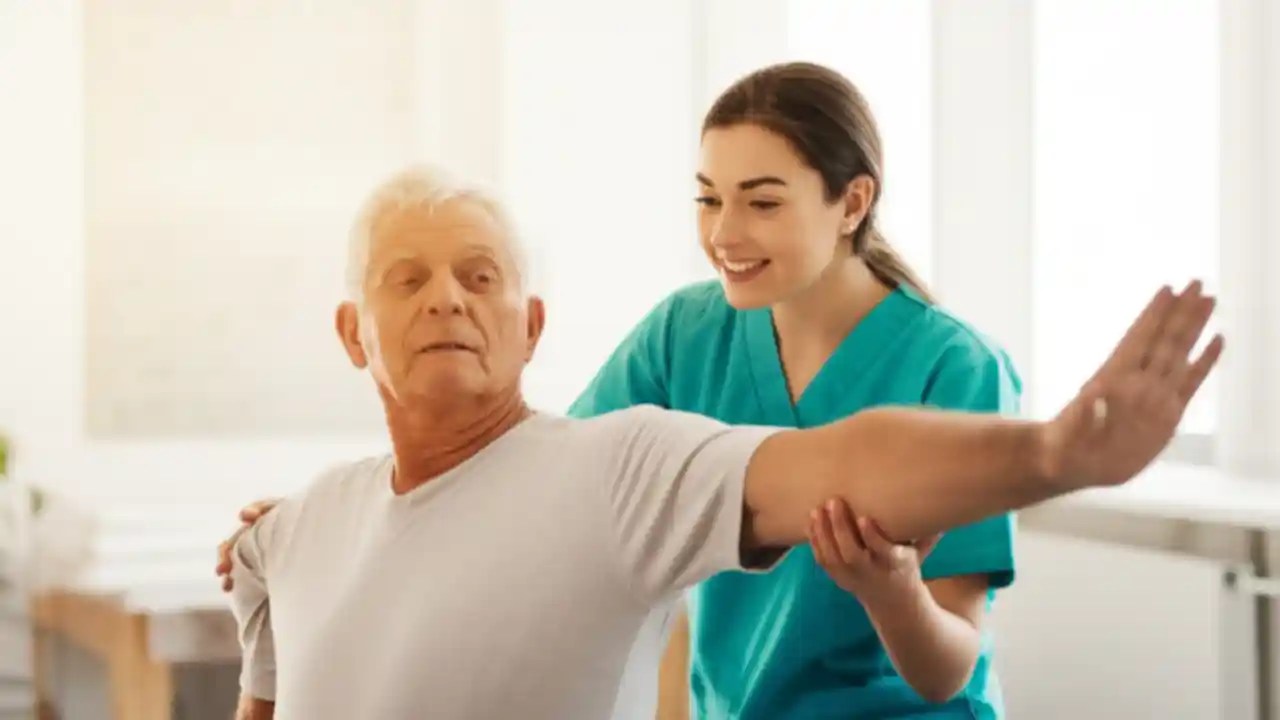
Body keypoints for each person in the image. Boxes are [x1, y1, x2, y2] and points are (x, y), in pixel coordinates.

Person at [217, 155, 1219, 719]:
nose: (446, 299)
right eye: (406, 279)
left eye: (480, 276)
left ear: (531, 327)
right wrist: (284, 536)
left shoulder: (611, 476)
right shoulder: (291, 533)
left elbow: (841, 460)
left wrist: (1051, 455)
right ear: (352, 331)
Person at [567, 61, 1018, 718]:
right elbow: (568, 485)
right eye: (709, 199)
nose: (724, 233)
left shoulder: (956, 367)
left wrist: (892, 593)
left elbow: (947, 671)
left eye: (763, 202)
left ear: (853, 203)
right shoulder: (680, 337)